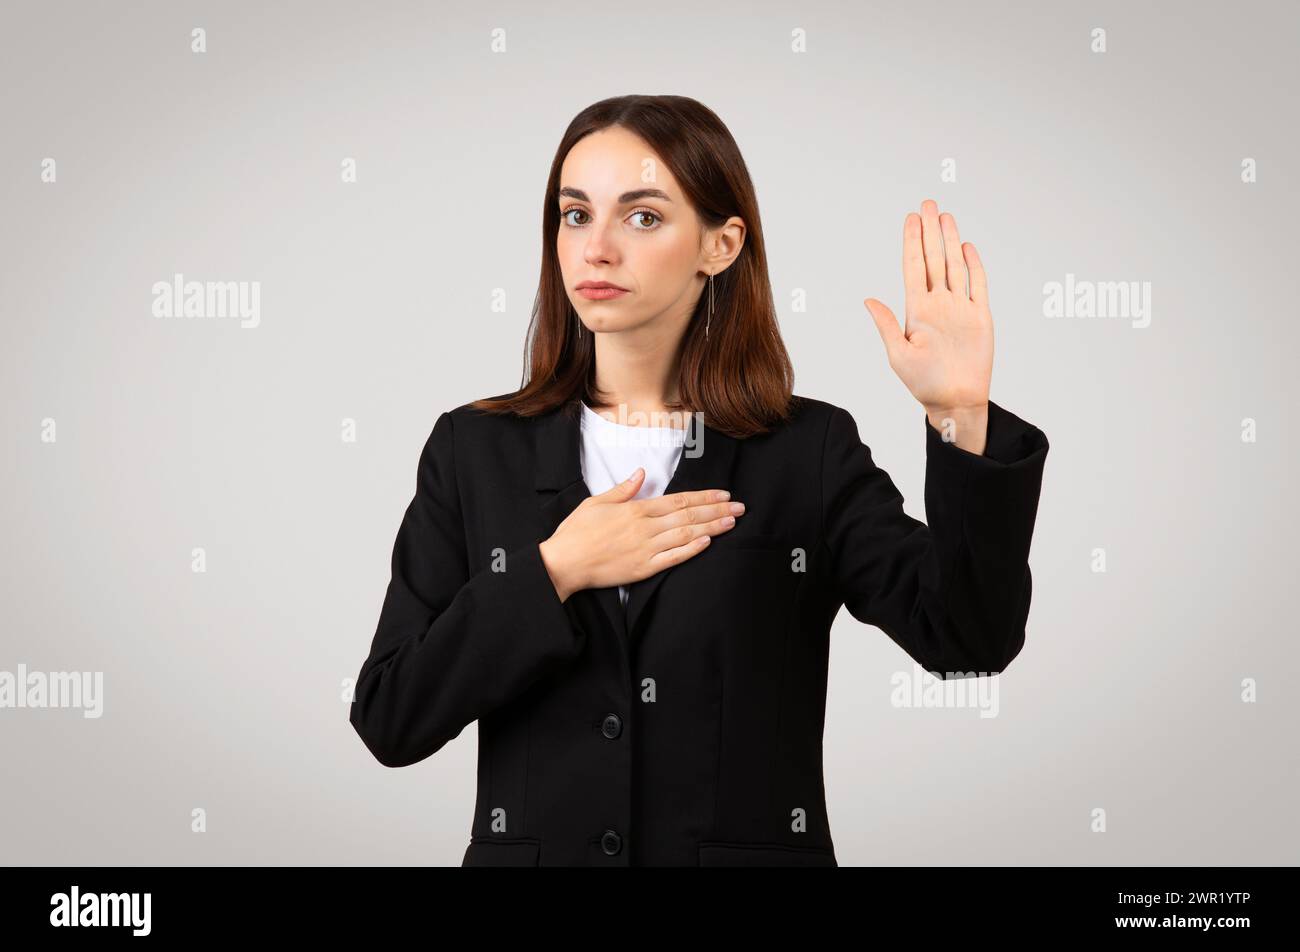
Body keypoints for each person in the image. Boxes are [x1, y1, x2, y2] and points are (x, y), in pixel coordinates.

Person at [348, 94, 1049, 866]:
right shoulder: (472, 450)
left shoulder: (805, 451)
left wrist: (959, 415)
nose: (597, 249)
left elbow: (968, 638)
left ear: (721, 244)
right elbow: (392, 718)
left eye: (642, 217)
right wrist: (553, 572)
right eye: (576, 215)